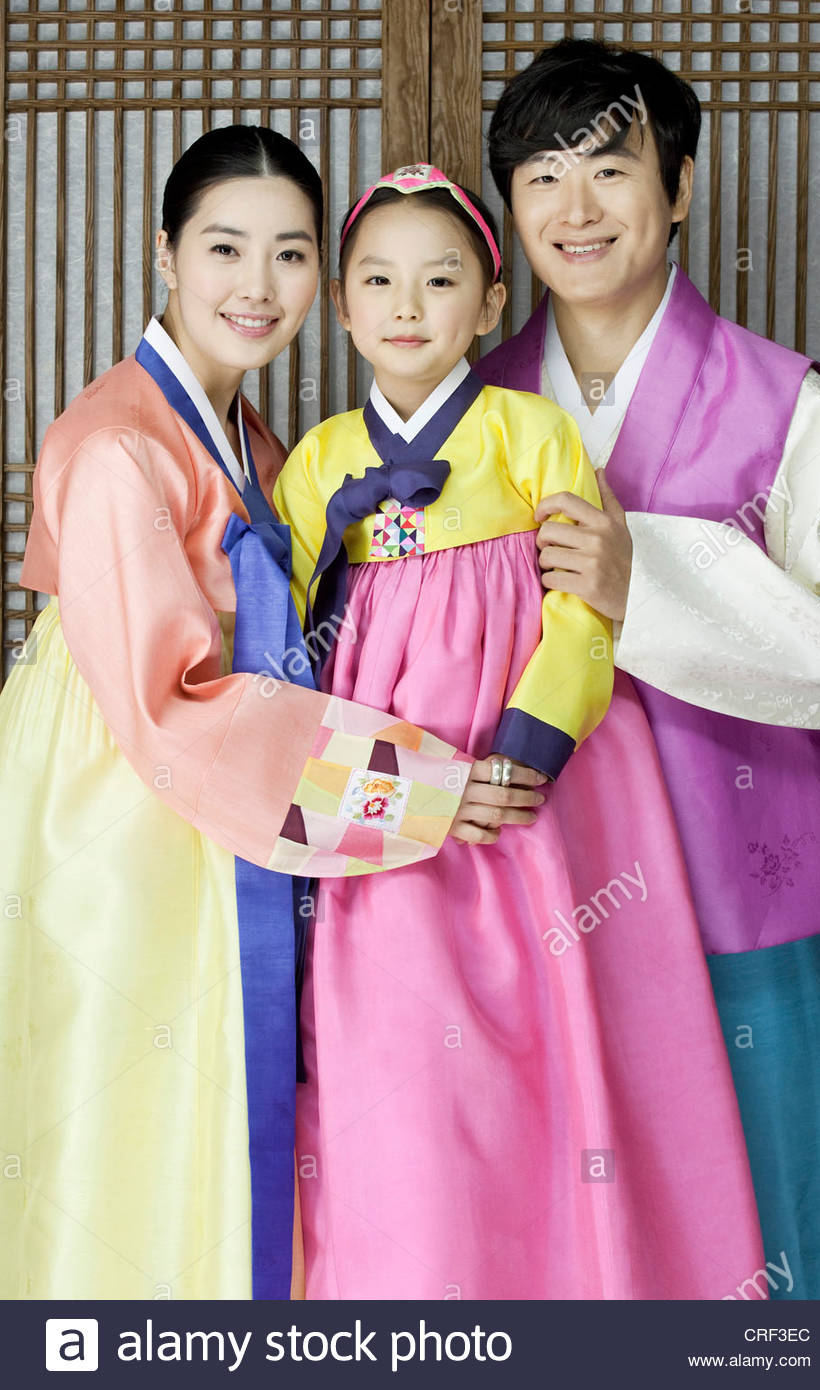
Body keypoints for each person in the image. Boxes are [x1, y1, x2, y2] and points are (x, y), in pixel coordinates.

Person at [0, 126, 545, 1301]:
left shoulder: (251, 441)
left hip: (210, 799)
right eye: (224, 249)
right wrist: (425, 786)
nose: (257, 288)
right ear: (165, 255)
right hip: (125, 807)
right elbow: (169, 704)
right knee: (129, 1129)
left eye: (290, 254)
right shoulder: (114, 448)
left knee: (203, 1130)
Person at [275, 163, 765, 1299]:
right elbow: (278, 647)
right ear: (342, 306)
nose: (408, 307)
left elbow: (584, 605)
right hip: (390, 795)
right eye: (380, 282)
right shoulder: (315, 463)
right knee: (396, 1049)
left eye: (441, 280)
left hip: (530, 796)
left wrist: (527, 747)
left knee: (550, 1044)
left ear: (490, 303)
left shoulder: (529, 433)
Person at [479, 37, 820, 1299]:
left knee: (778, 1231)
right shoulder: (470, 406)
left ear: (680, 185)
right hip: (536, 884)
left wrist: (643, 582)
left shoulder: (784, 404)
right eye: (540, 174)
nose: (573, 207)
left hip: (740, 891)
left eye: (608, 165)